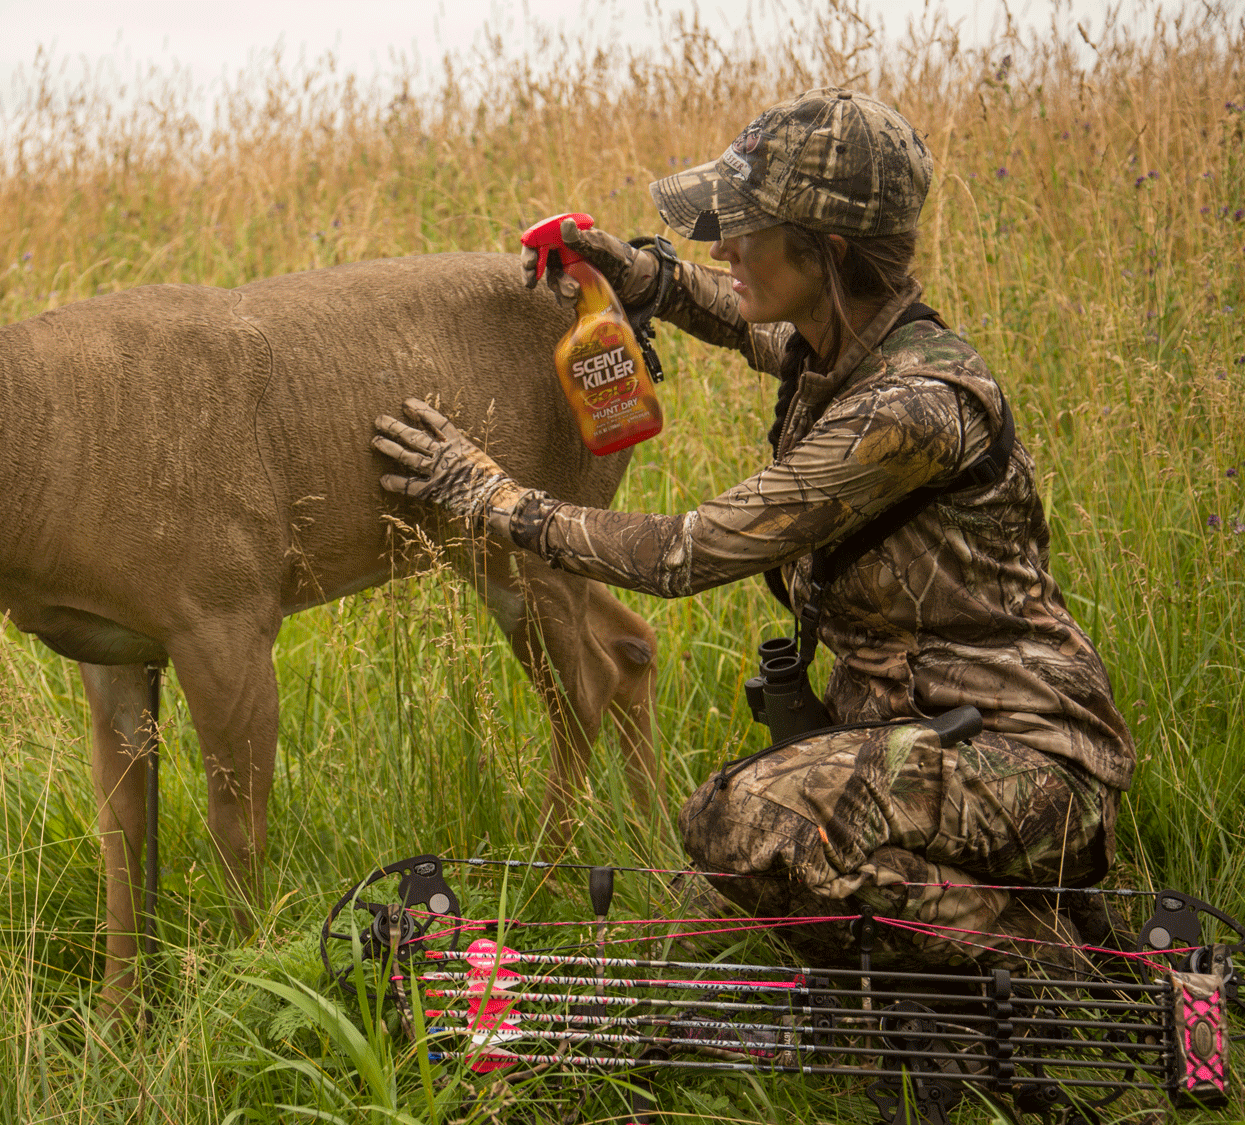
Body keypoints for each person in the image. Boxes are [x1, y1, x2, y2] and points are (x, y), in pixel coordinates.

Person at [371, 88, 1134, 971]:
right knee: (733, 885)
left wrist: (491, 497)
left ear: (825, 253)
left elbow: (684, 552)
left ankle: (1036, 957)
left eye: (746, 230)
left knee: (745, 823)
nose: (723, 246)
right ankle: (951, 924)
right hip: (929, 735)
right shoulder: (847, 343)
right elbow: (740, 320)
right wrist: (638, 272)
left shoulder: (910, 410)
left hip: (1029, 767)